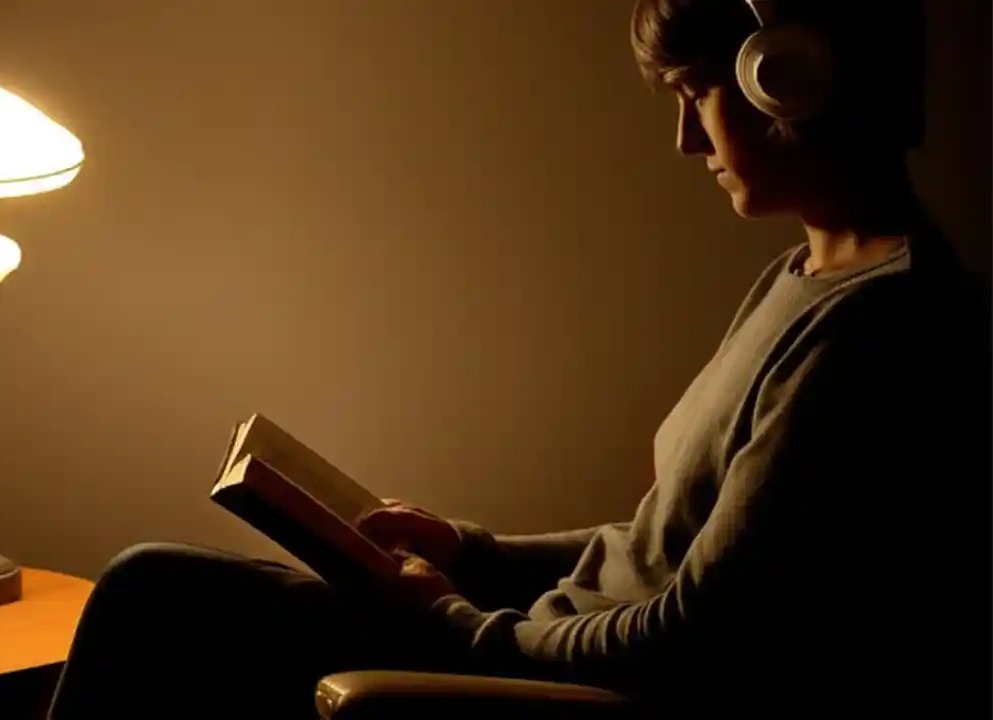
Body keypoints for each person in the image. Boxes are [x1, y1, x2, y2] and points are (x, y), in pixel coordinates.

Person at [48, 1, 990, 717]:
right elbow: (655, 547)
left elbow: (688, 635)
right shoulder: (807, 275)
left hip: (558, 684)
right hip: (530, 630)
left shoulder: (876, 330)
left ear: (787, 81)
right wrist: (471, 551)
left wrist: (451, 620)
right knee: (158, 590)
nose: (684, 138)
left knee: (150, 597)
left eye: (695, 95)